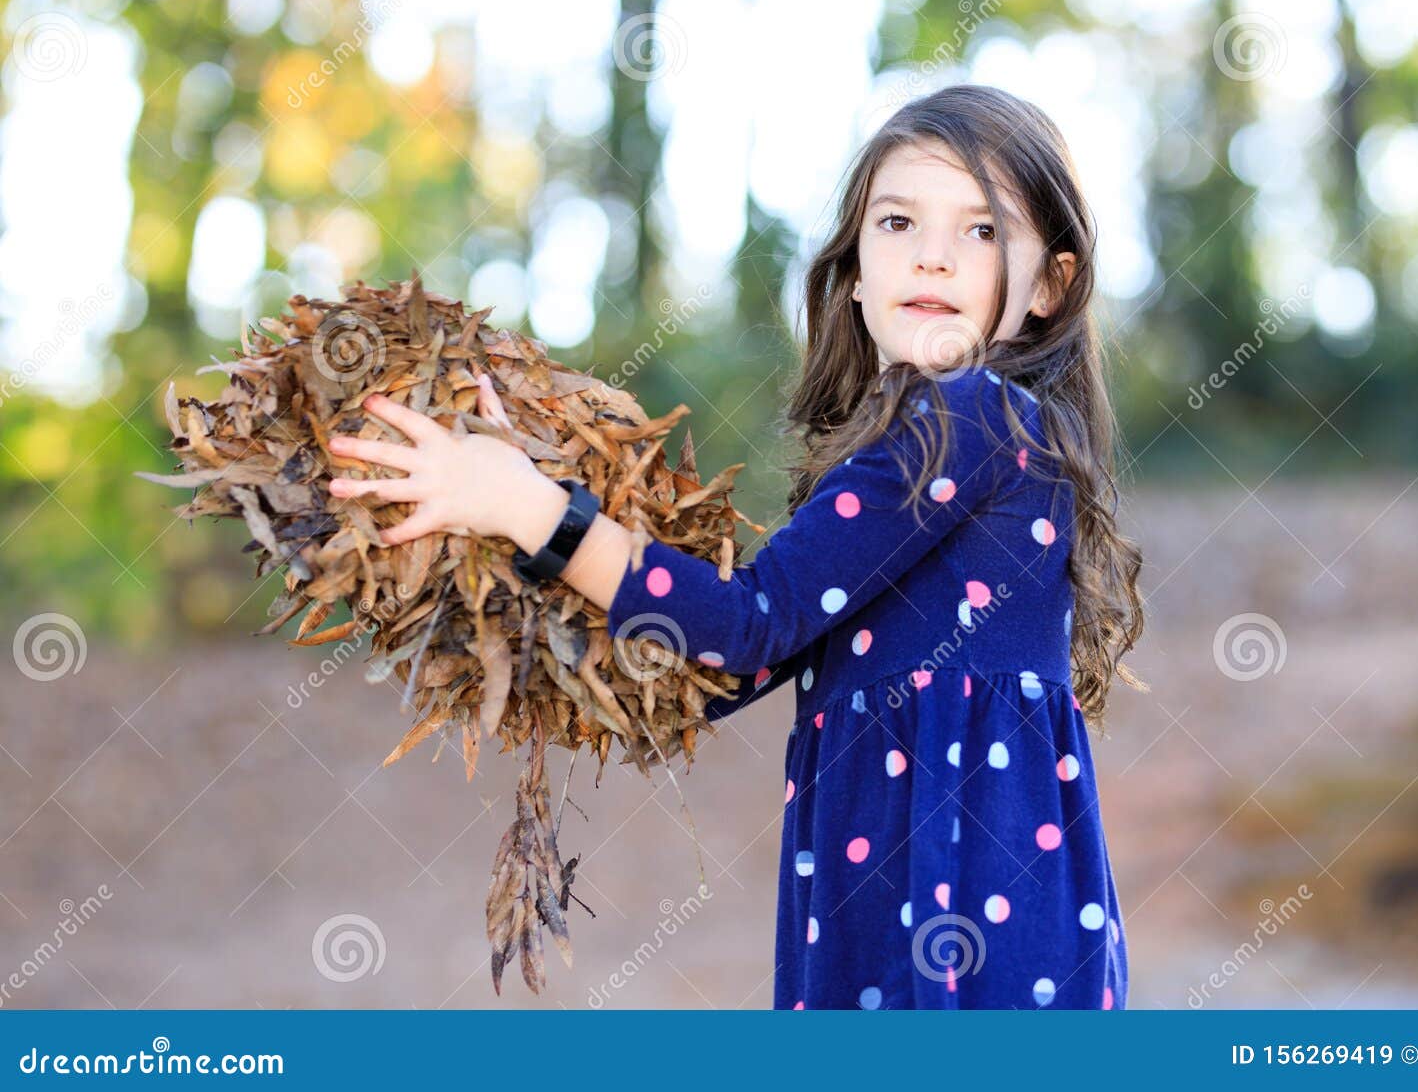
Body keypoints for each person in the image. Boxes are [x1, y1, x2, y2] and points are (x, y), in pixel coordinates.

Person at [324, 83, 1147, 1009]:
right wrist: (528, 541)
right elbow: (720, 673)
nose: (932, 254)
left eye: (982, 229)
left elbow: (748, 624)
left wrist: (533, 507)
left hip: (973, 924)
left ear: (1049, 286)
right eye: (897, 221)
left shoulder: (971, 416)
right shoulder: (916, 457)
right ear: (855, 268)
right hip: (907, 914)